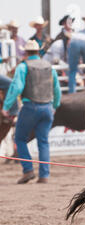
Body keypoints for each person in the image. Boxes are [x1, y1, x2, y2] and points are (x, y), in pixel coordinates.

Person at [1, 40, 61, 184]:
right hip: (47, 107)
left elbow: (16, 88)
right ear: (38, 51)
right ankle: (44, 175)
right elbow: (57, 89)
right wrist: (55, 106)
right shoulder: (49, 67)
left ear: (26, 53)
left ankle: (28, 170)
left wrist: (6, 107)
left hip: (30, 107)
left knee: (20, 139)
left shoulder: (23, 67)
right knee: (43, 141)